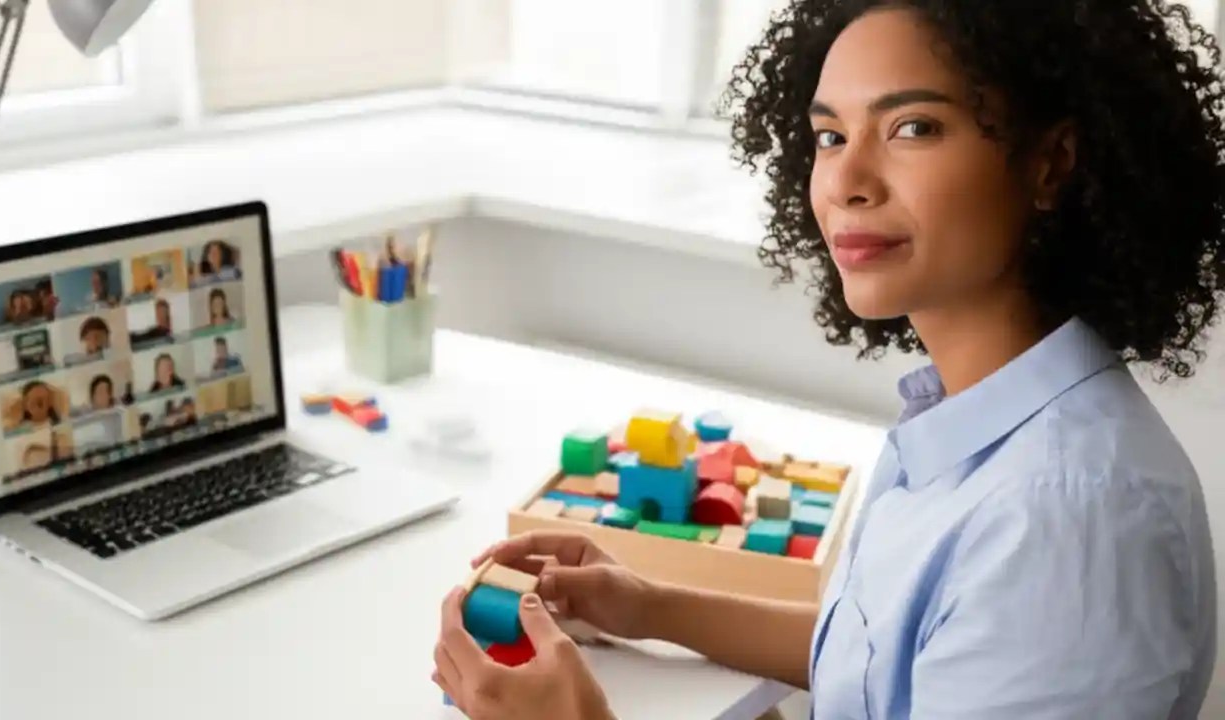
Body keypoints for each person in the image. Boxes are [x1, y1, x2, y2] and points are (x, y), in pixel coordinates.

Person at [433, 3, 1221, 719]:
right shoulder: (973, 413)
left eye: (913, 127)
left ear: (1051, 163)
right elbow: (885, 658)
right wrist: (644, 605)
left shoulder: (1067, 521)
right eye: (829, 136)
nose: (844, 180)